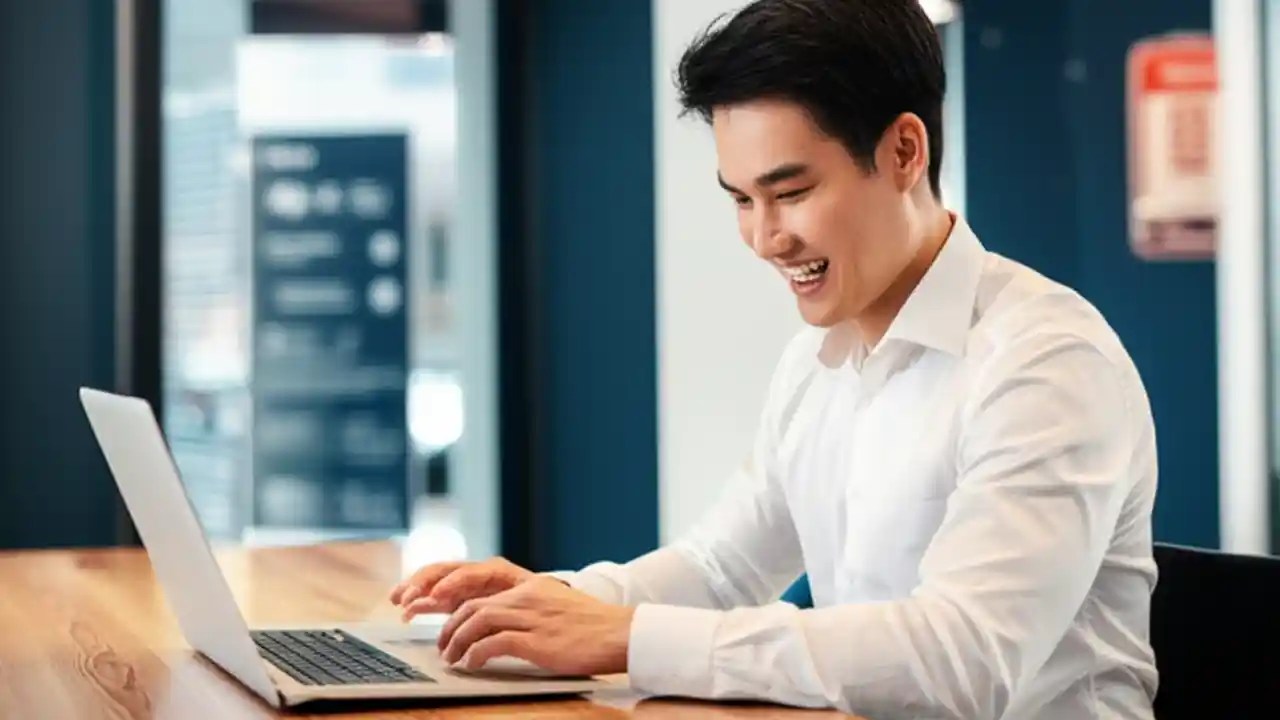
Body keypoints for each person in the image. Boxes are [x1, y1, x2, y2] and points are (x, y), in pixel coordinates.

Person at [388, 1, 1159, 717]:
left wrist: (624, 637)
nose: (765, 238)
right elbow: (722, 570)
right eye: (741, 200)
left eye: (789, 192)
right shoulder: (816, 364)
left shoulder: (1046, 361)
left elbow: (962, 661)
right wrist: (549, 608)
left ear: (902, 151)